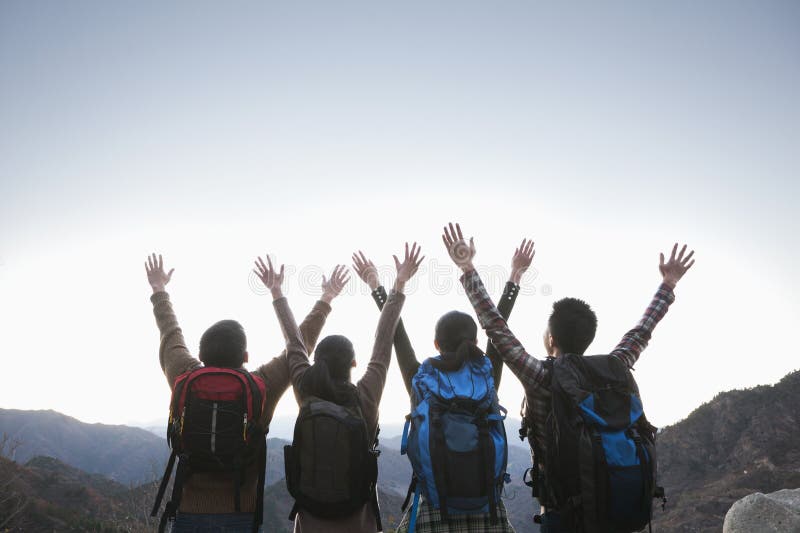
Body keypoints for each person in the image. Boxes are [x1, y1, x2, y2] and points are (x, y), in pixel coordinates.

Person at [442, 223, 695, 533]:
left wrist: (467, 268)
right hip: (618, 514)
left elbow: (495, 327)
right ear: (589, 337)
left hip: (563, 517)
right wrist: (668, 283)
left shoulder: (541, 377)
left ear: (551, 341)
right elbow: (642, 331)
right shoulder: (615, 368)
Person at [145, 253, 348, 532]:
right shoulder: (261, 386)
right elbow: (299, 345)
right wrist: (325, 299)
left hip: (189, 512)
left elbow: (170, 332)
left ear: (201, 354)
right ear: (246, 355)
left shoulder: (184, 376)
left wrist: (159, 289)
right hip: (241, 514)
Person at [351, 244, 534, 533]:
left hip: (433, 513)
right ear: (475, 344)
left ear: (437, 344)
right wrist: (514, 275)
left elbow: (396, 335)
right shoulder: (486, 378)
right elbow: (499, 327)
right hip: (489, 514)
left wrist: (384, 284)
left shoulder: (422, 380)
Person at [288, 242, 424, 533]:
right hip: (358, 521)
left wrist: (281, 294)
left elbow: (294, 342)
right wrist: (397, 284)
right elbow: (384, 338)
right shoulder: (365, 398)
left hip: (309, 522)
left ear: (316, 360)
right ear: (353, 362)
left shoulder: (305, 393)